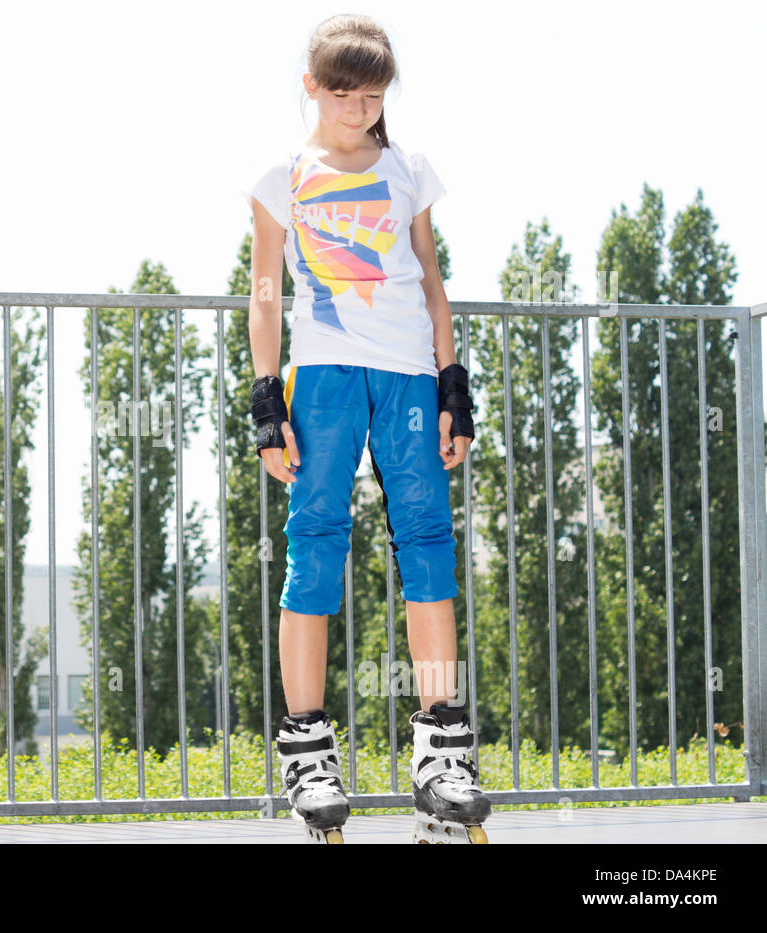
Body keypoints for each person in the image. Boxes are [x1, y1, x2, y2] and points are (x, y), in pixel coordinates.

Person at [242, 13, 489, 844]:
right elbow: (266, 290)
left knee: (427, 541)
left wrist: (453, 382)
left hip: (410, 373)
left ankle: (443, 747)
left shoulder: (408, 171)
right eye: (342, 93)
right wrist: (266, 397)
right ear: (311, 86)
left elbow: (430, 283)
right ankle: (309, 751)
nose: (357, 110)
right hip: (327, 371)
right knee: (316, 539)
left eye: (372, 95)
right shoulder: (284, 176)